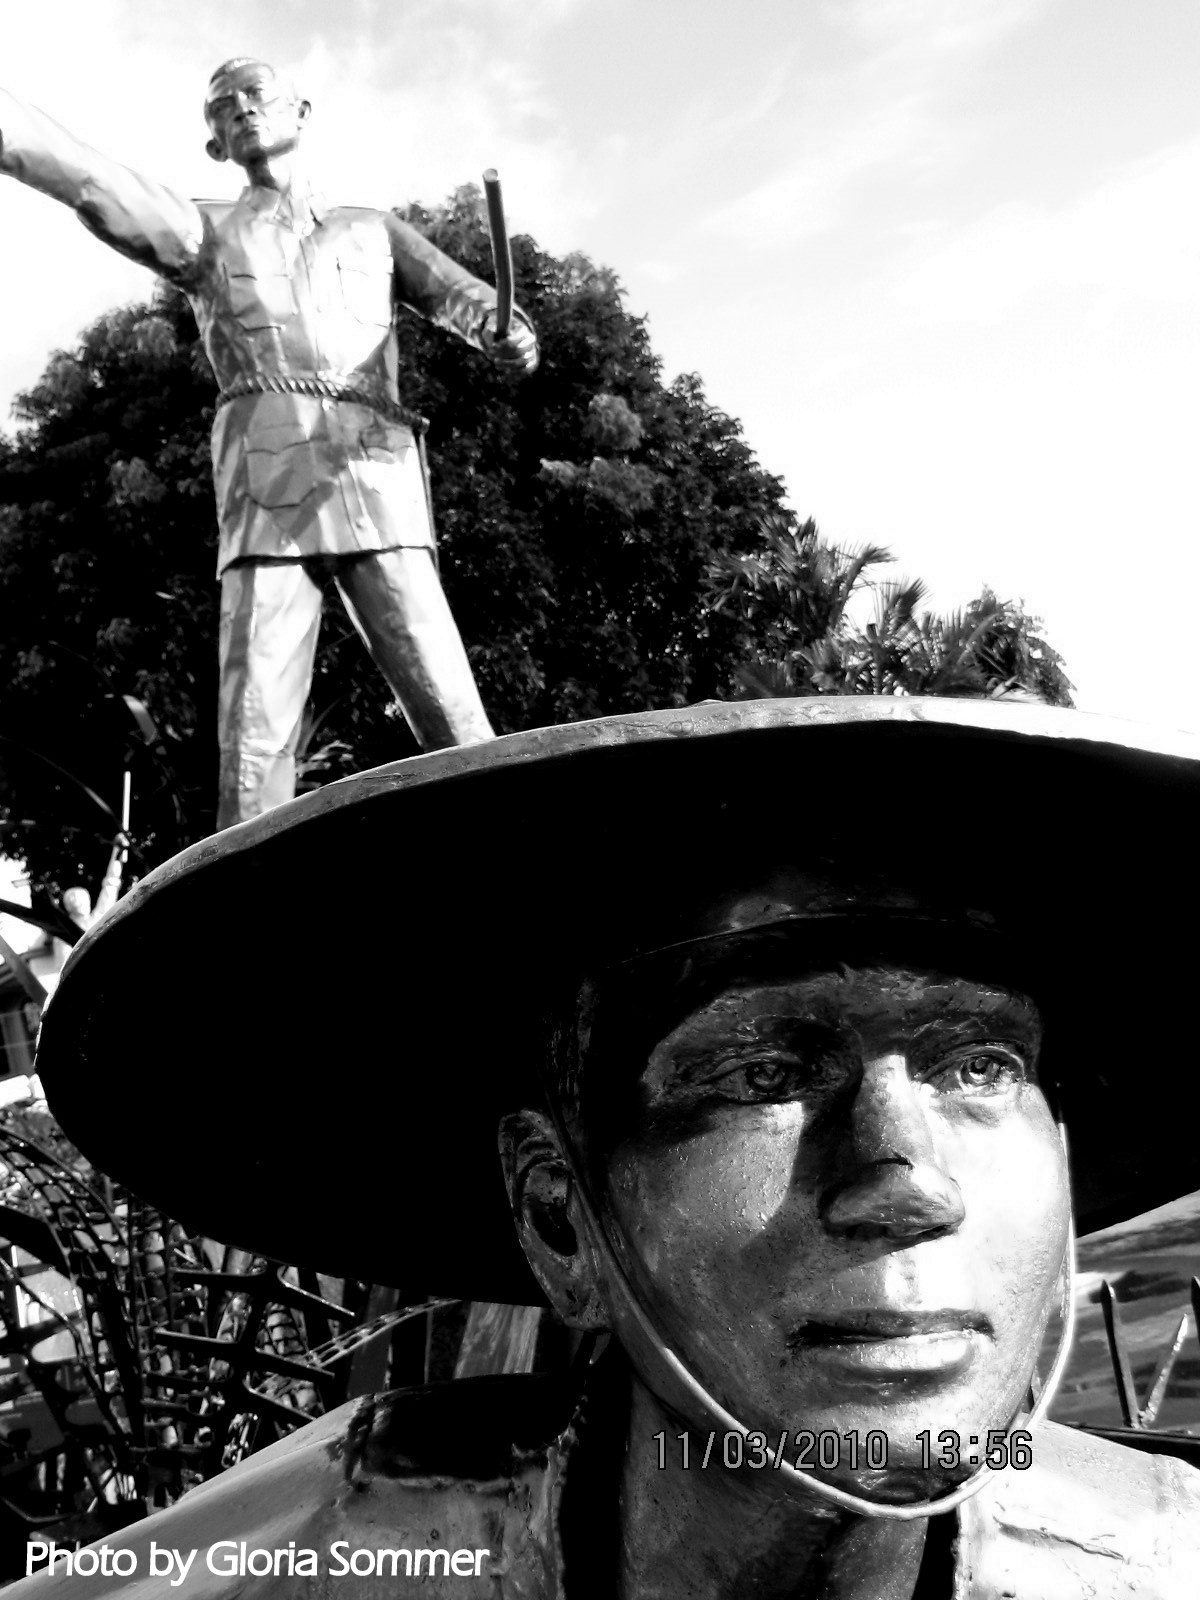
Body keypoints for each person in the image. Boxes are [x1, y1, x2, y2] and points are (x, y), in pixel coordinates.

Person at [22, 698, 1200, 1596]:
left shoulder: (1154, 1562)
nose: (906, 1181)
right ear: (559, 1216)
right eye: (763, 1075)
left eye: (979, 1067)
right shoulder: (320, 1560)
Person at [0, 59, 539, 829]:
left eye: (261, 95)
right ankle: (242, 917)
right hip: (265, 490)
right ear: (215, 141)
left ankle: (518, 848)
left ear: (302, 112)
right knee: (255, 729)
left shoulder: (372, 230)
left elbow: (469, 301)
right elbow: (92, 179)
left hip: (374, 478)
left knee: (448, 701)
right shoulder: (205, 232)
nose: (246, 109)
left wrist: (508, 330)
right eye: (226, 106)